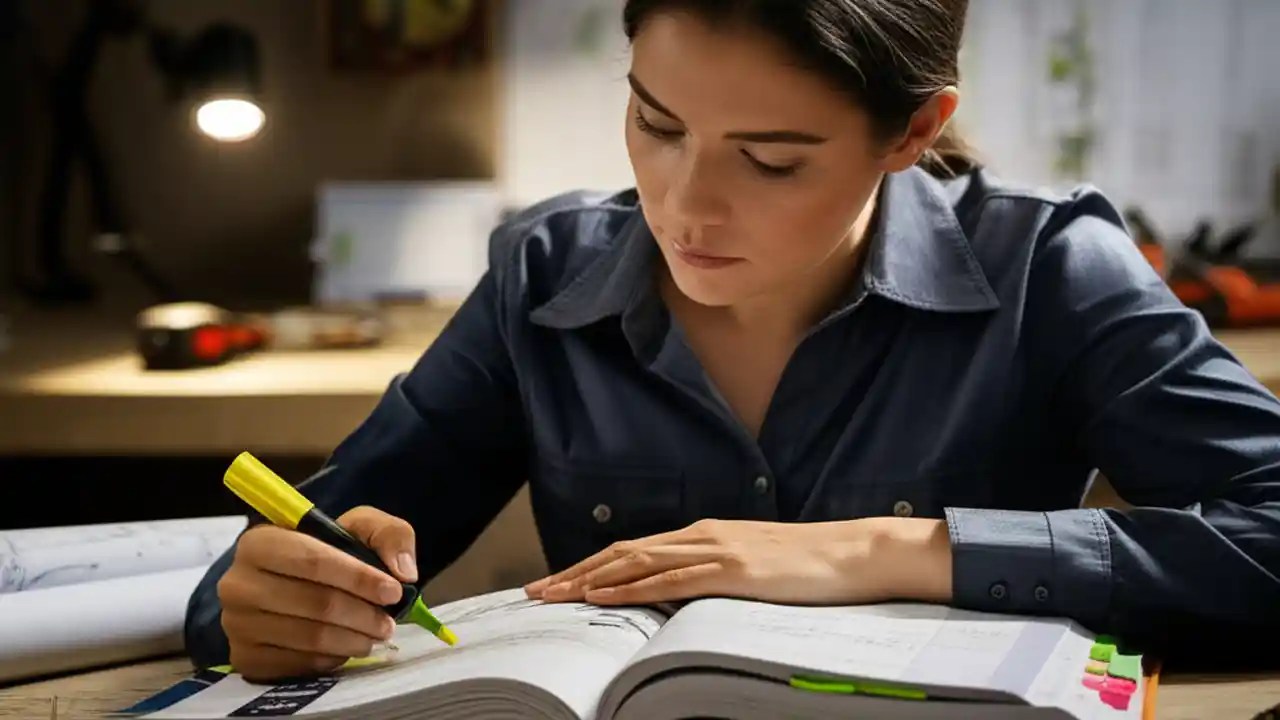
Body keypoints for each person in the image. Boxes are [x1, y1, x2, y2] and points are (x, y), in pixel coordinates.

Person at [186, 0, 1280, 681]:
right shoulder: (543, 273)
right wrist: (274, 597)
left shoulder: (1046, 267)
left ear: (913, 130)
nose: (684, 207)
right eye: (655, 125)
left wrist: (881, 552)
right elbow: (280, 568)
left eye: (769, 159)